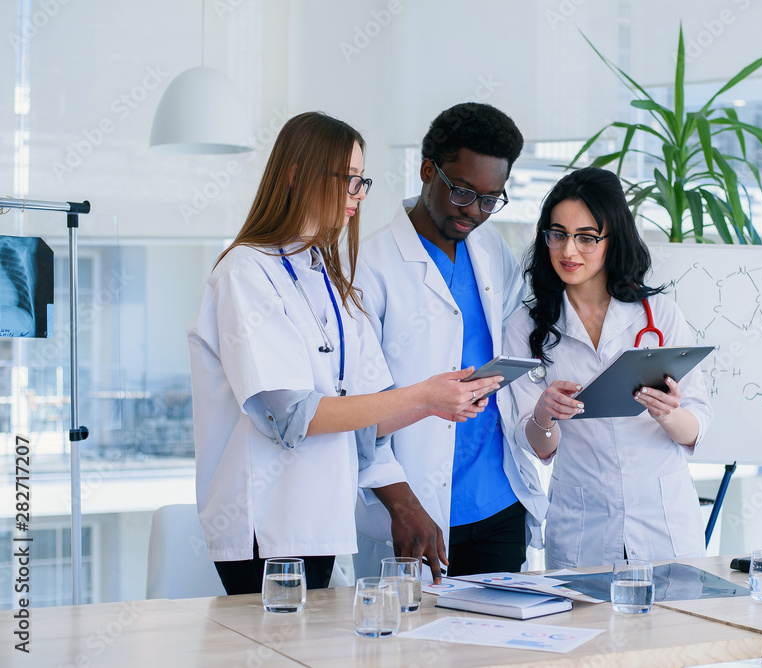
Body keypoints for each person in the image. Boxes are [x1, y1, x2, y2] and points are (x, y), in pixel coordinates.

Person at [188, 112, 500, 595]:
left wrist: (442, 400)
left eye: (362, 181)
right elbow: (289, 416)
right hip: (264, 524)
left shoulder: (324, 276)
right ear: (297, 176)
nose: (359, 195)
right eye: (349, 181)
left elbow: (367, 417)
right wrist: (422, 397)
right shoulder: (245, 273)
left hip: (320, 521)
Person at [353, 103, 547, 579]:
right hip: (411, 510)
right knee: (411, 650)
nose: (474, 212)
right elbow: (356, 404)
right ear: (427, 171)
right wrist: (399, 501)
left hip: (498, 501)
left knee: (497, 650)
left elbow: (515, 347)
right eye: (462, 192)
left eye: (490, 199)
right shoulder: (368, 264)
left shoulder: (489, 247)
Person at [504, 167, 713, 569]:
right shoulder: (526, 329)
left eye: (586, 238)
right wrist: (544, 414)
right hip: (583, 526)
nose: (568, 251)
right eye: (558, 234)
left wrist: (667, 413)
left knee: (670, 629)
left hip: (663, 524)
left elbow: (698, 424)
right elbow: (537, 446)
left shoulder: (660, 315)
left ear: (611, 239)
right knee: (586, 630)